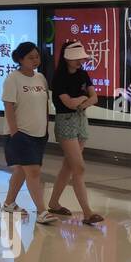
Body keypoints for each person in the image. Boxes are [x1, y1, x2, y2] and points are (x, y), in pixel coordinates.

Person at [48, 39, 104, 224]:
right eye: (76, 58)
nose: (80, 61)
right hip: (65, 123)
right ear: (67, 59)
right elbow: (69, 103)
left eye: (81, 58)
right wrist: (83, 99)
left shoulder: (83, 74)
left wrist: (82, 101)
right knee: (78, 168)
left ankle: (54, 203)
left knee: (69, 166)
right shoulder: (59, 78)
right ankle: (87, 212)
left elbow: (94, 97)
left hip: (80, 122)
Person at [1, 42, 58, 225]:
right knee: (33, 171)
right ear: (20, 59)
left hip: (39, 134)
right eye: (31, 57)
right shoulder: (13, 78)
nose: (35, 60)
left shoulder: (40, 78)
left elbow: (45, 105)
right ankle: (42, 211)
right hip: (20, 133)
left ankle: (9, 203)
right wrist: (14, 132)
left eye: (37, 57)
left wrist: (46, 128)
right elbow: (8, 106)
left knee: (21, 171)